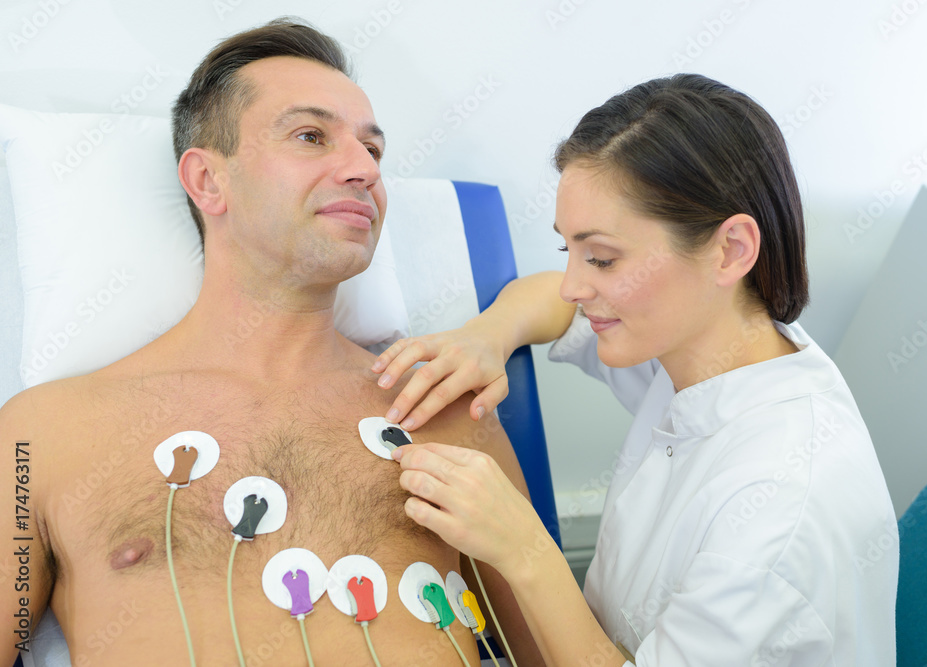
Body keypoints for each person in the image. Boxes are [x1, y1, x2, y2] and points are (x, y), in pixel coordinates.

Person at [0, 18, 544, 667]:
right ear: (209, 181)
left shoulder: (445, 415)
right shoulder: (45, 435)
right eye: (311, 136)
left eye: (373, 151)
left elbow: (561, 650)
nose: (363, 170)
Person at [373, 74, 899, 665]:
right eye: (568, 250)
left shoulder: (776, 513)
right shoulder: (704, 348)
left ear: (730, 249)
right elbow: (548, 301)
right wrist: (487, 336)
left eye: (602, 258)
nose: (573, 286)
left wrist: (522, 548)